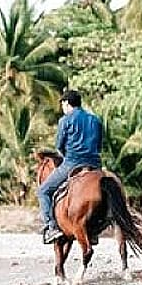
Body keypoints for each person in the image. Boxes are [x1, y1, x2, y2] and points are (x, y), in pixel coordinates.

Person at [37, 89, 103, 244]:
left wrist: (67, 154)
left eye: (62, 104)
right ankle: (95, 229)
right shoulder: (95, 120)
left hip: (73, 162)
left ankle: (51, 227)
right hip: (95, 164)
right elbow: (99, 146)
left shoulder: (65, 120)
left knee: (43, 191)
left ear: (66, 103)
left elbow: (59, 146)